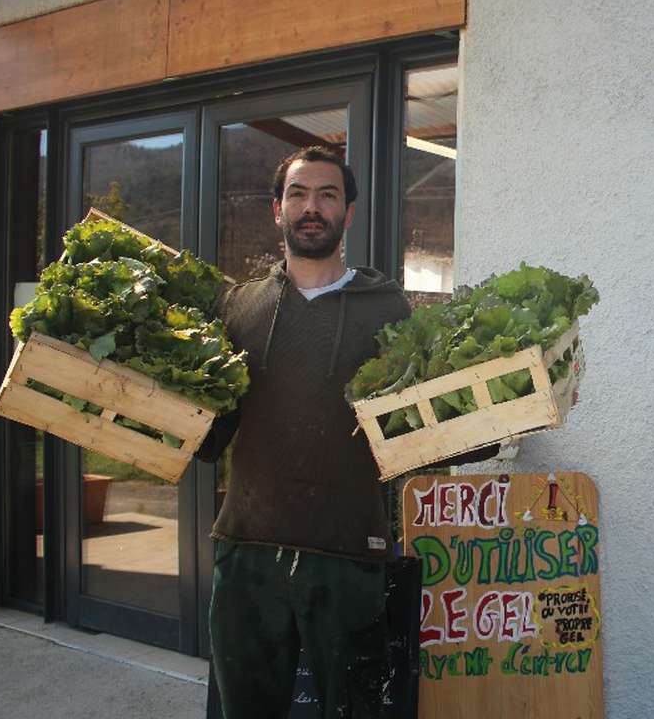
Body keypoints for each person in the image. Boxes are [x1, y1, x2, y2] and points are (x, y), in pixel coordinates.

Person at [196, 146, 493, 718]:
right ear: (276, 209)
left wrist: (482, 432)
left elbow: (417, 428)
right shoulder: (240, 309)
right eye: (300, 194)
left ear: (348, 213)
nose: (313, 207)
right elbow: (211, 431)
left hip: (350, 558)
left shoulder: (388, 311)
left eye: (328, 195)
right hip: (247, 554)